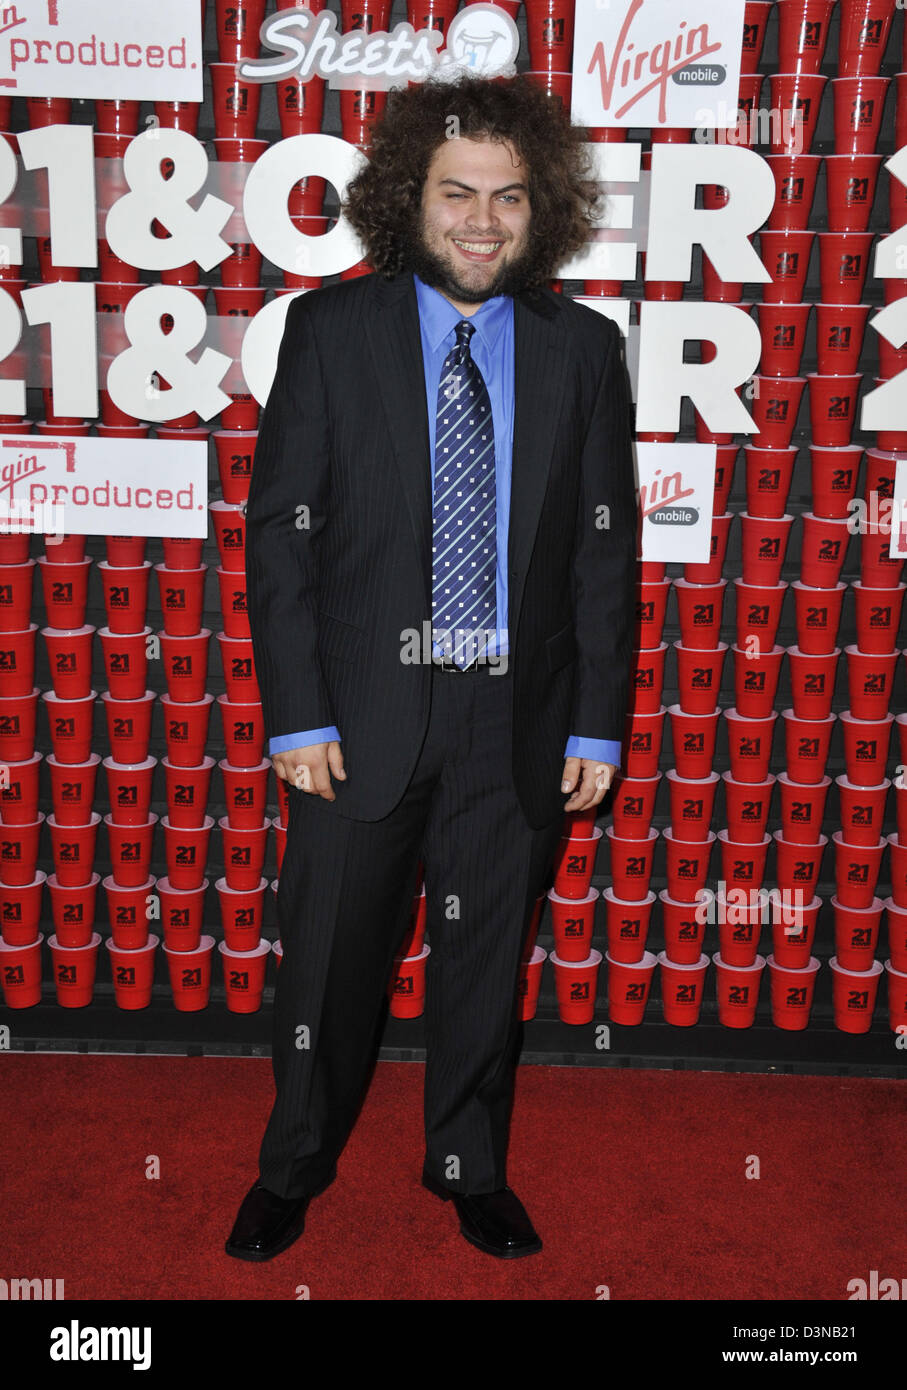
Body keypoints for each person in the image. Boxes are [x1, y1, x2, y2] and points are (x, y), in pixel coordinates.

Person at [226, 70, 638, 1263]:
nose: (481, 221)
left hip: (518, 713)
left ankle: (467, 1164)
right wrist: (297, 713)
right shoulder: (330, 330)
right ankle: (294, 1164)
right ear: (408, 196)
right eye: (458, 192)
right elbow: (280, 534)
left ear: (542, 209)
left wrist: (596, 725)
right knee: (327, 970)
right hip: (359, 713)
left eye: (510, 198)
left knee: (480, 964)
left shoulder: (583, 349)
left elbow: (602, 560)